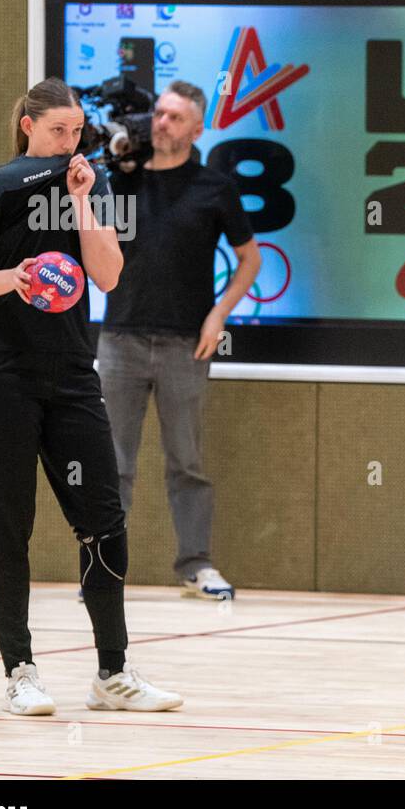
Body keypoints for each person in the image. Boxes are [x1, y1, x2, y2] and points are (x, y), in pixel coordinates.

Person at [0, 76, 183, 715]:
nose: (70, 141)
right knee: (7, 528)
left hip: (74, 375)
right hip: (2, 379)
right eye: (57, 130)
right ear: (29, 125)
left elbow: (107, 274)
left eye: (77, 131)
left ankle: (113, 672)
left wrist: (81, 204)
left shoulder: (90, 183)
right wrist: (10, 277)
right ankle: (20, 669)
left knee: (104, 521)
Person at [99, 81, 259, 600]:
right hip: (119, 338)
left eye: (173, 117)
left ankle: (196, 564)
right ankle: (103, 567)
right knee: (113, 462)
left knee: (185, 461)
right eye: (158, 114)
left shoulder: (214, 187)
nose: (160, 123)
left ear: (197, 128)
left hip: (185, 343)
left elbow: (249, 260)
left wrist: (218, 316)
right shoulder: (117, 180)